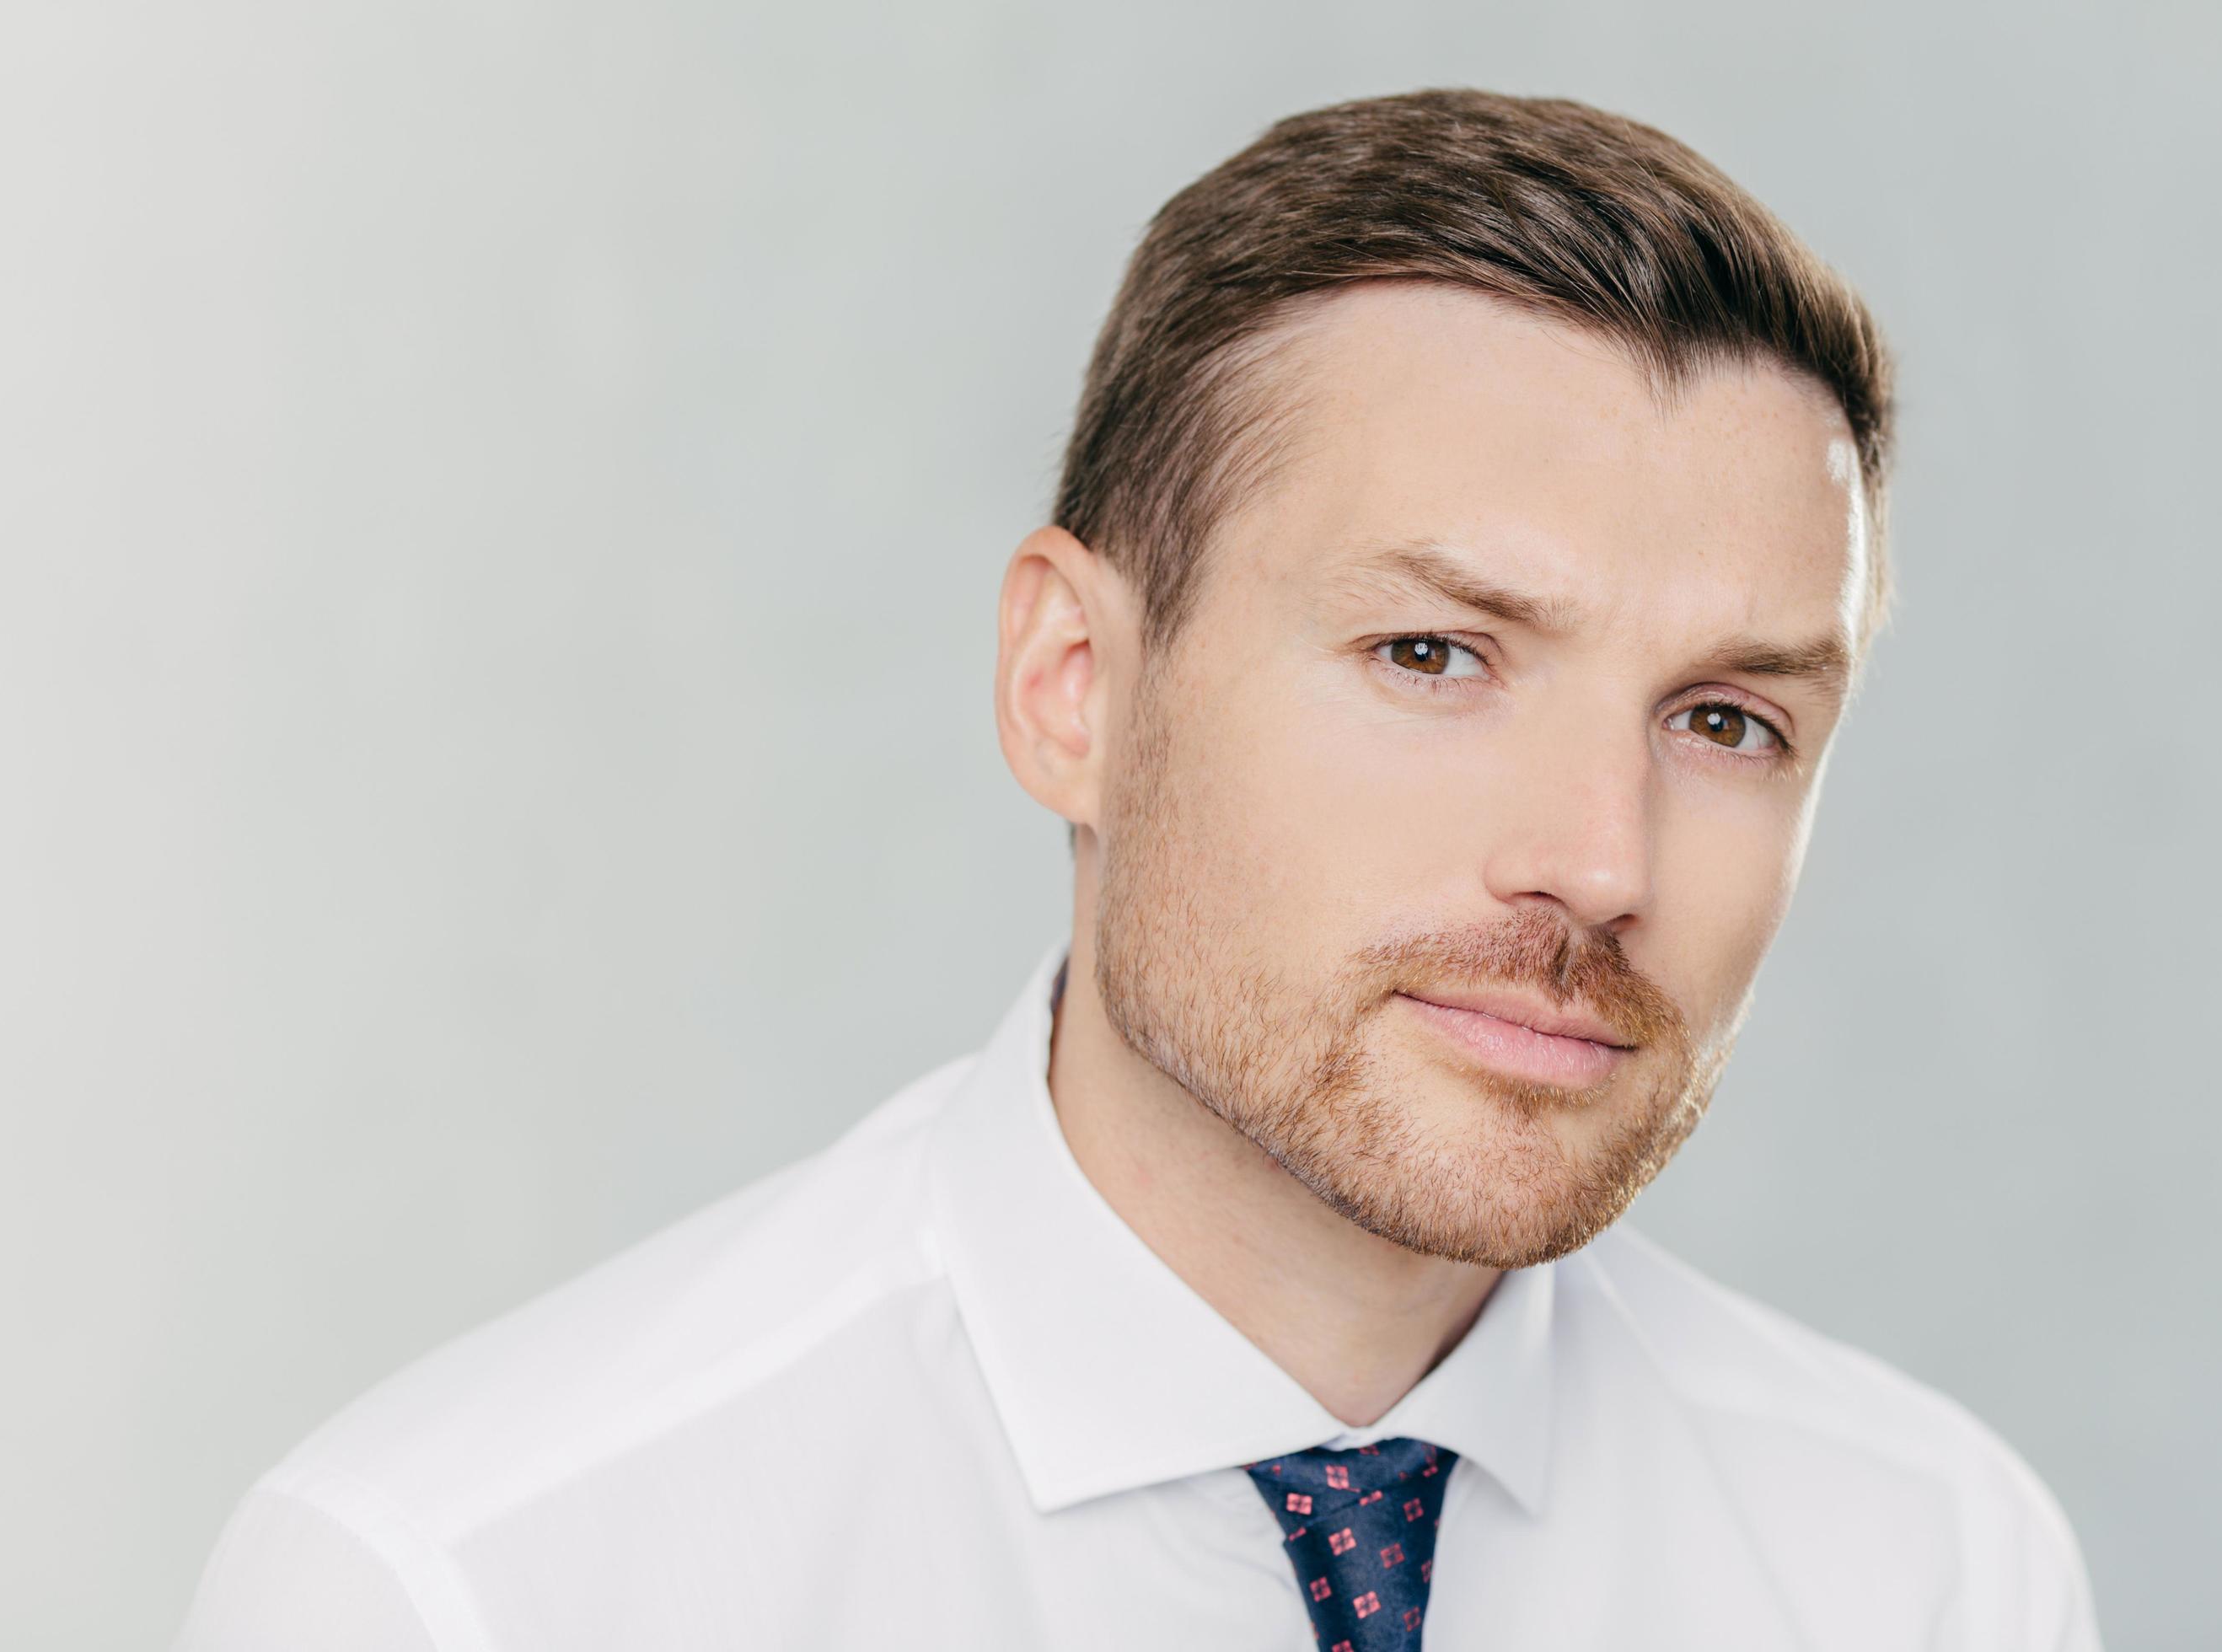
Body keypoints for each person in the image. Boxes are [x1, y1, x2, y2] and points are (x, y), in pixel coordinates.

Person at [177, 88, 2102, 1650]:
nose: (1600, 861)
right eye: (1432, 654)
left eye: (1728, 722)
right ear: (1073, 687)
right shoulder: (475, 1592)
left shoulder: (1928, 1571)